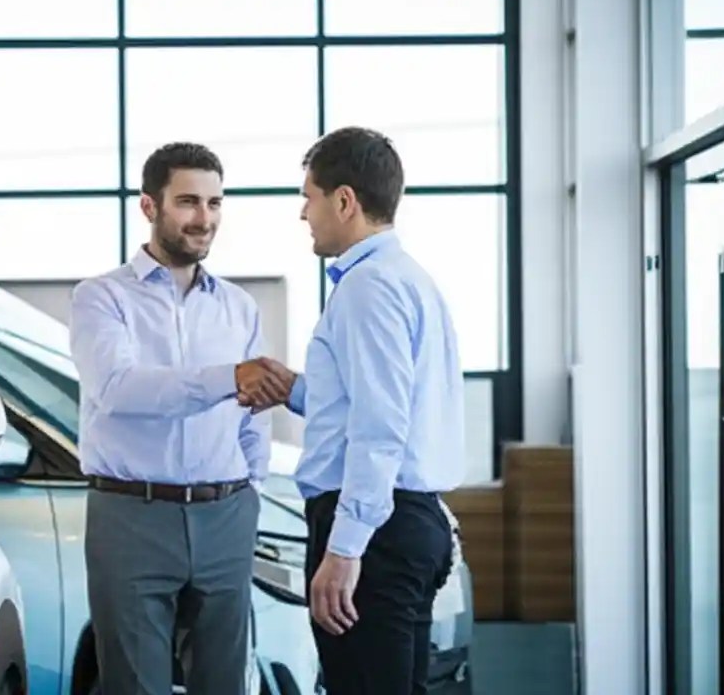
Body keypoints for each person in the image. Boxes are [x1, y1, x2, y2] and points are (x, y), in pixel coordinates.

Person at [238, 127, 466, 694]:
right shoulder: (409, 280)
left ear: (344, 201)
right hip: (410, 520)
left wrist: (344, 550)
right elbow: (379, 404)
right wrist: (295, 388)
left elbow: (379, 428)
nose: (302, 214)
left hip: (378, 532)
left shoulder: (369, 288)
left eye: (308, 197)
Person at [68, 142, 293, 694]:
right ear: (150, 207)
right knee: (135, 685)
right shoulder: (101, 299)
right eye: (189, 202)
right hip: (131, 515)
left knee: (225, 685)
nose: (205, 219)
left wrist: (250, 488)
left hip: (225, 514)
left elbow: (254, 415)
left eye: (215, 203)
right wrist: (226, 377)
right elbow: (119, 388)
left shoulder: (238, 306)